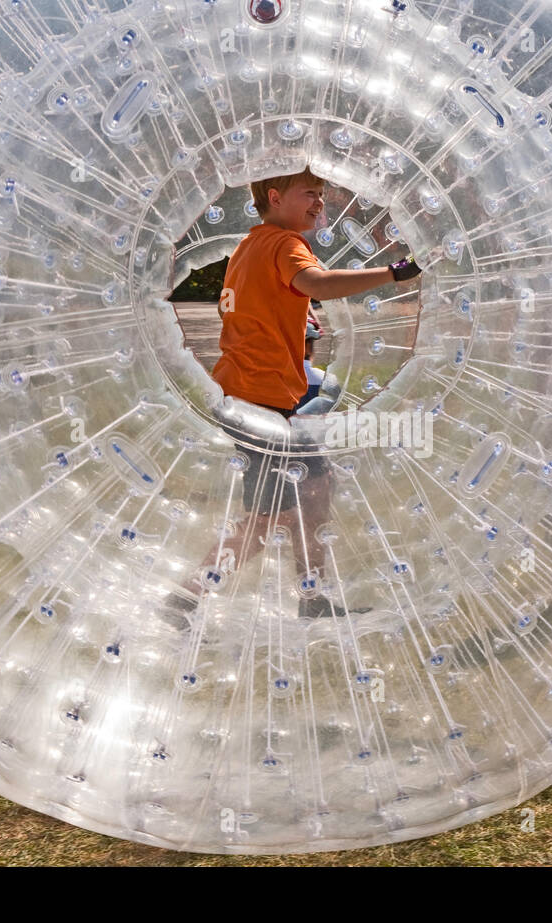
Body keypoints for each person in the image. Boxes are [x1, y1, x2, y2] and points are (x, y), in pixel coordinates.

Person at [166, 168, 422, 622]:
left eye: (322, 194)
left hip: (260, 397)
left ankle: (313, 597)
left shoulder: (250, 246)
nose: (320, 202)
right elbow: (316, 284)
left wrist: (295, 322)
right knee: (270, 519)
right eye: (310, 193)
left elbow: (259, 306)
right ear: (274, 197)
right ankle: (185, 598)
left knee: (317, 486)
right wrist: (395, 272)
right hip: (257, 402)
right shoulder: (286, 244)